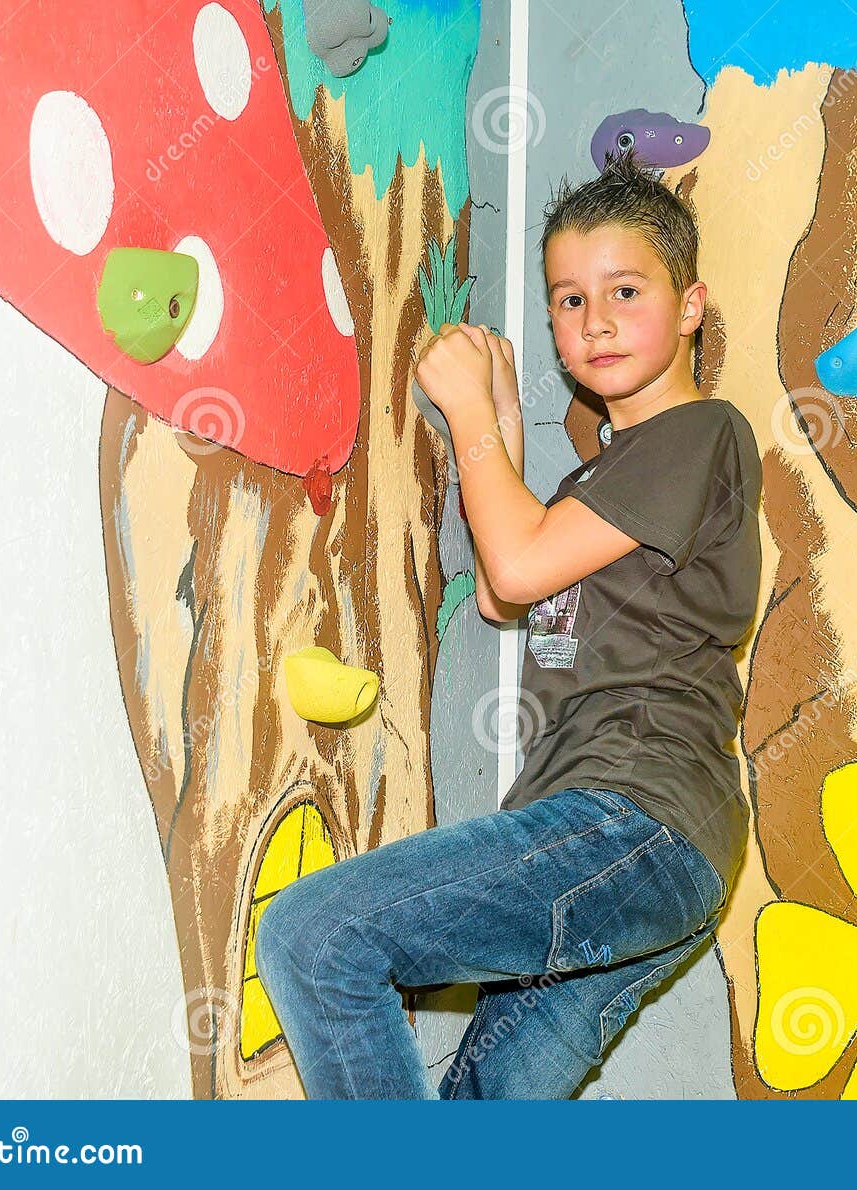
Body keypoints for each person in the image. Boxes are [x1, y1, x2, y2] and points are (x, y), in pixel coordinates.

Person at [255, 147, 763, 1099]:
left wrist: (469, 416)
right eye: (569, 300)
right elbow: (505, 589)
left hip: (633, 817)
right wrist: (497, 419)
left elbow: (521, 563)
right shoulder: (604, 477)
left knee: (315, 938)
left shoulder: (701, 434)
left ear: (691, 305)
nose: (595, 320)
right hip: (649, 853)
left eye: (625, 291)